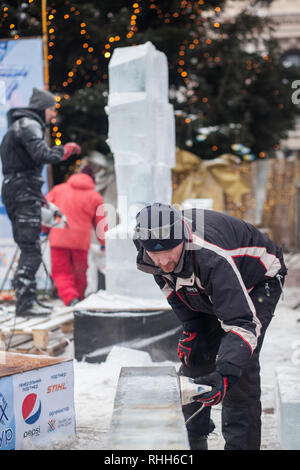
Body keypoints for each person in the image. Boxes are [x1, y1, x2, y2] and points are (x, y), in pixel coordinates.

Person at [133, 203, 287, 450]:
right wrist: (194, 328)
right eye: (154, 254)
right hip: (210, 284)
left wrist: (225, 373)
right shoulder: (151, 256)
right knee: (196, 355)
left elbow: (242, 325)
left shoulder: (211, 257)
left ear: (182, 238)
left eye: (170, 251)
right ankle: (195, 436)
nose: (163, 261)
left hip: (258, 280)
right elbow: (173, 291)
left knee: (239, 368)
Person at [0, 87, 81, 317]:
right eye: (50, 110)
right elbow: (41, 154)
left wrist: (40, 200)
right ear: (42, 109)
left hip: (21, 191)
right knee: (31, 249)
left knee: (30, 247)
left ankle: (28, 300)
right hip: (22, 192)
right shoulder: (28, 124)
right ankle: (25, 304)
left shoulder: (20, 126)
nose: (52, 116)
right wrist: (63, 150)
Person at [45, 165, 107, 306]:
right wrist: (104, 244)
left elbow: (45, 210)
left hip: (58, 238)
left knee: (61, 272)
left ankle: (71, 298)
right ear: (93, 180)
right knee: (80, 273)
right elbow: (100, 226)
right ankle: (78, 301)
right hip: (80, 242)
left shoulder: (58, 190)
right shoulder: (95, 197)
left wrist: (44, 229)